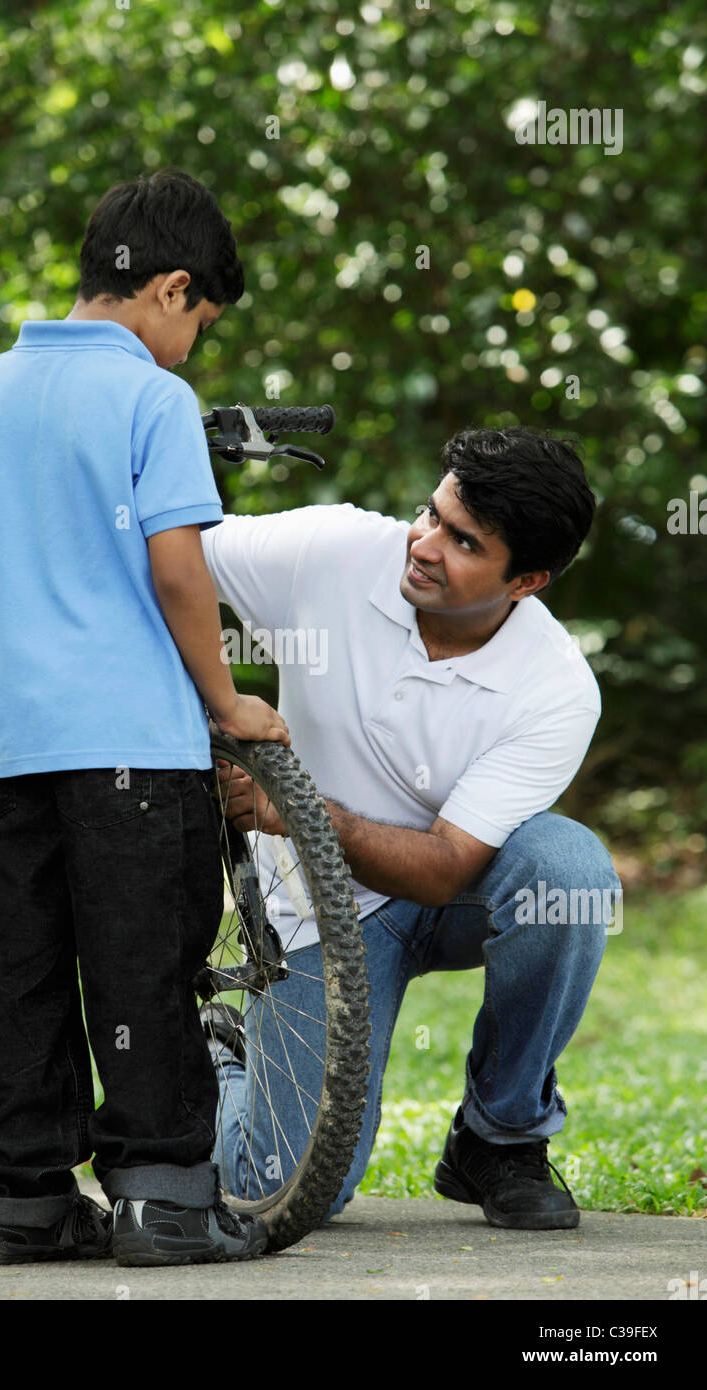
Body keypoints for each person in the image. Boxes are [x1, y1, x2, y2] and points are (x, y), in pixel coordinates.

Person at [0, 168, 289, 1267]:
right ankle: (163, 1198)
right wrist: (226, 699)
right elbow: (178, 567)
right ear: (171, 288)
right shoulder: (150, 399)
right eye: (200, 325)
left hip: (21, 749)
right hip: (130, 740)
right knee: (140, 966)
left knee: (24, 967)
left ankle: (17, 1200)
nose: (192, 351)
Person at [201, 426, 622, 1231]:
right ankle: (224, 1058)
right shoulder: (336, 548)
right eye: (431, 515)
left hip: (452, 891)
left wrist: (298, 812)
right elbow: (174, 555)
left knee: (570, 874)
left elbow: (443, 869)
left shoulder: (557, 687)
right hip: (315, 905)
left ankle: (500, 1137)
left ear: (525, 580)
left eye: (463, 542)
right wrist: (209, 696)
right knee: (290, 1189)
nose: (425, 546)